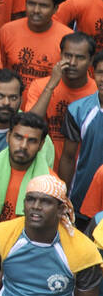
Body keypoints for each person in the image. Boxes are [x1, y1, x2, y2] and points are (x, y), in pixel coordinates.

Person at [23, 32, 96, 174]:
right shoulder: (40, 86)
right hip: (42, 170)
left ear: (91, 60)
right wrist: (50, 87)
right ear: (60, 55)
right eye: (68, 56)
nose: (73, 63)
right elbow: (29, 125)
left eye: (80, 57)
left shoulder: (96, 92)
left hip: (82, 174)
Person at [0, 111, 53, 227]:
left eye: (32, 141)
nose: (23, 146)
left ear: (41, 145)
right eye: (18, 137)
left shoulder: (51, 183)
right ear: (8, 137)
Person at [0, 0, 68, 90]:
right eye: (32, 4)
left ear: (55, 9)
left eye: (43, 6)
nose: (36, 10)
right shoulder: (7, 31)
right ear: (25, 3)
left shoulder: (66, 39)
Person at [59, 49, 103, 212]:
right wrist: (61, 198)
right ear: (93, 73)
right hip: (81, 197)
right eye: (100, 73)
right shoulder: (77, 110)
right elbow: (68, 158)